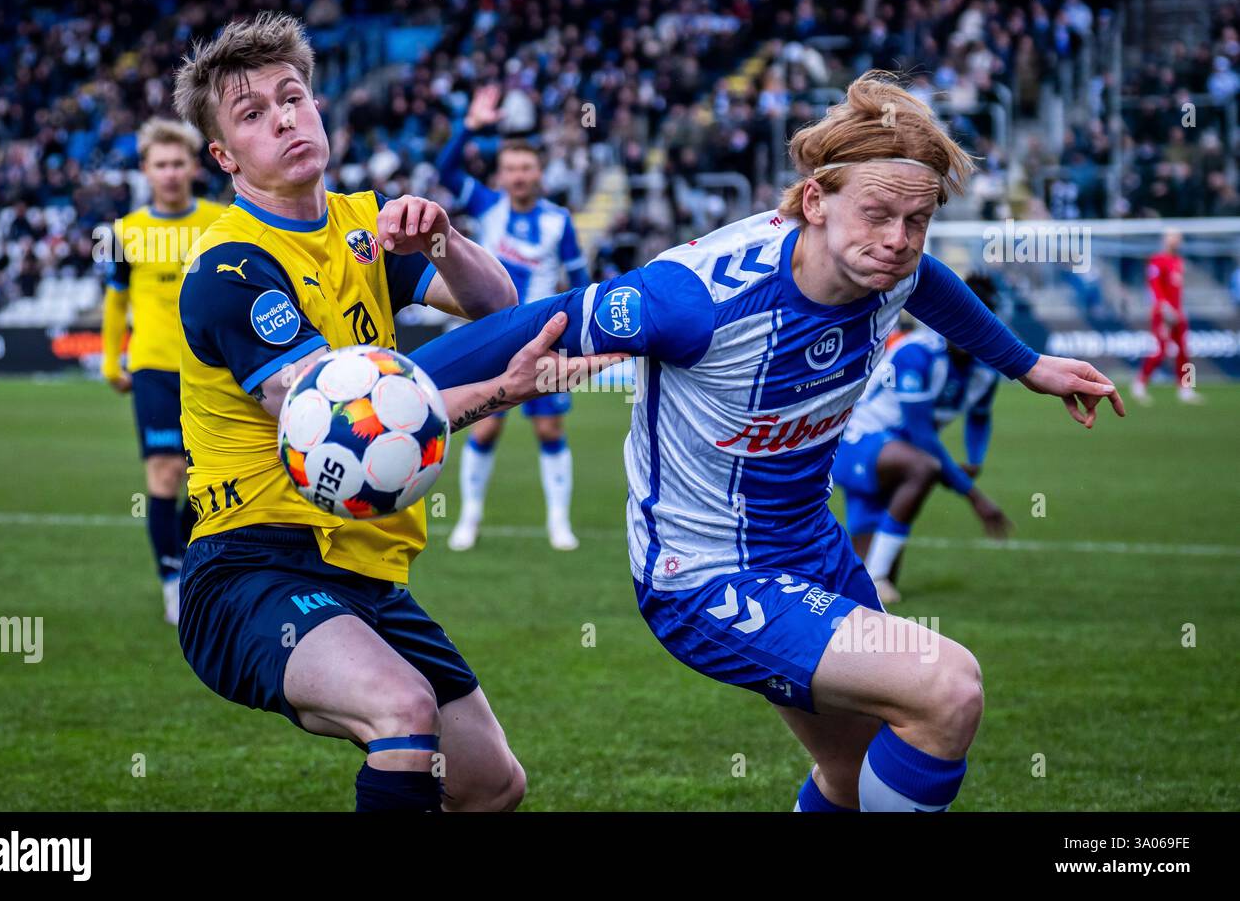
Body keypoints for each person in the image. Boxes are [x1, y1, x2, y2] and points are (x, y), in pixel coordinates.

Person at [410, 72, 1124, 811]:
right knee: (947, 688)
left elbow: (930, 282)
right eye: (879, 214)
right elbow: (528, 327)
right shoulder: (699, 298)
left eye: (918, 221)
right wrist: (385, 390)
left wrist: (1028, 364)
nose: (898, 240)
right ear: (814, 200)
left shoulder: (887, 265)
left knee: (850, 779)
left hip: (810, 549)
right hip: (705, 577)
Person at [170, 12, 615, 811]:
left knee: (489, 785)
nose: (284, 118)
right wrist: (506, 392)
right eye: (252, 114)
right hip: (254, 565)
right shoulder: (228, 269)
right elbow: (337, 425)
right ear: (224, 156)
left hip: (365, 569)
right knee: (401, 712)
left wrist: (440, 237)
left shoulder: (361, 226)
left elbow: (495, 300)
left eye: (293, 97)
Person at [436, 86, 591, 551]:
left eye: (527, 168)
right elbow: (445, 170)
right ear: (501, 175)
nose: (519, 176)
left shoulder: (558, 220)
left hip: (545, 338)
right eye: (511, 168)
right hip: (494, 335)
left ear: (539, 173)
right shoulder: (487, 206)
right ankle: (469, 518)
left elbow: (581, 277)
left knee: (549, 429)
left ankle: (558, 523)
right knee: (485, 424)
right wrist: (470, 125)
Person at [100, 118, 226, 624]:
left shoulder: (221, 222)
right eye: (161, 165)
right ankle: (172, 579)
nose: (171, 173)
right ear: (146, 170)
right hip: (152, 366)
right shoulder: (124, 232)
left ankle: (194, 567)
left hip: (211, 370)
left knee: (204, 481)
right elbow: (115, 302)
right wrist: (112, 360)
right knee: (166, 473)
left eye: (179, 163)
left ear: (194, 167)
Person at [831, 275, 1010, 605]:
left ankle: (855, 583)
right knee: (923, 468)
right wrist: (974, 497)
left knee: (862, 593)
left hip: (894, 451)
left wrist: (975, 459)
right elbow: (923, 436)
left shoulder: (985, 370)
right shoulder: (918, 354)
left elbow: (980, 416)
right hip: (856, 441)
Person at [1132, 230, 1199, 404]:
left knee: (1184, 351)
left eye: (1178, 238)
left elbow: (1177, 291)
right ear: (1165, 240)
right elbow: (1154, 287)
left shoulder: (1179, 262)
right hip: (1163, 313)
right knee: (1159, 351)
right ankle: (1140, 384)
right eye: (1173, 237)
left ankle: (1186, 388)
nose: (1176, 241)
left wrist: (1179, 310)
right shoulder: (1157, 260)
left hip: (1178, 314)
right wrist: (1164, 308)